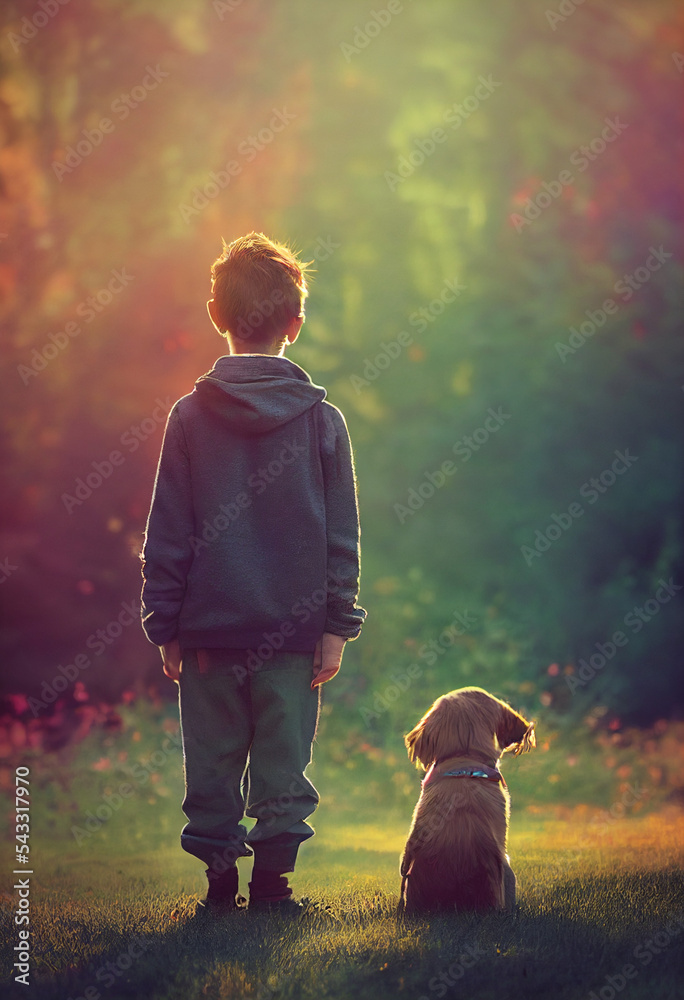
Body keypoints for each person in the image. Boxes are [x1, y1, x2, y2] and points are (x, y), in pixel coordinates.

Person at [140, 232, 366, 914]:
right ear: (295, 322)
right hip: (294, 636)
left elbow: (166, 534)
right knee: (282, 766)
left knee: (210, 765)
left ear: (219, 317)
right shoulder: (324, 421)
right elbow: (342, 537)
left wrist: (164, 626)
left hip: (207, 633)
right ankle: (273, 887)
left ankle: (218, 887)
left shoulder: (187, 417)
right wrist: (337, 626)